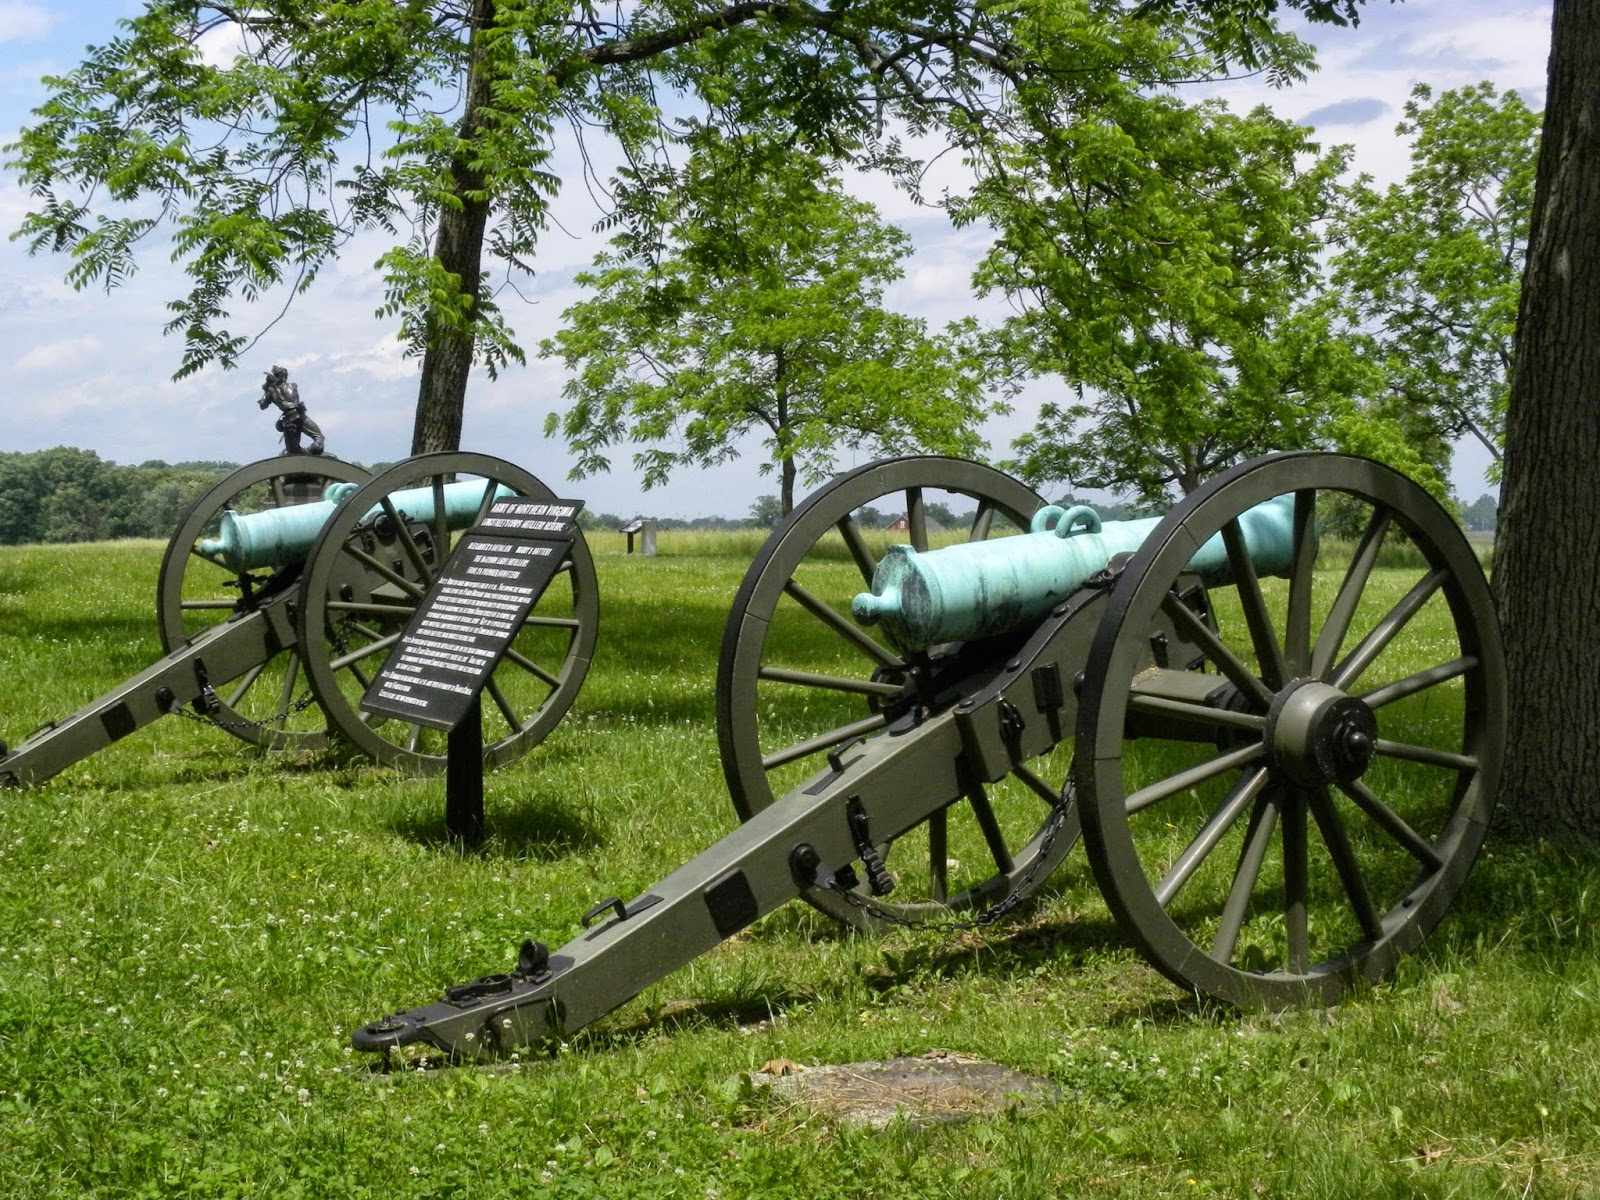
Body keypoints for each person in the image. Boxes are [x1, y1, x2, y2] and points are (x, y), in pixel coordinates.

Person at [258, 365, 326, 455]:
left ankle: (307, 452)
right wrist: (268, 389)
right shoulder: (282, 388)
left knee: (317, 438)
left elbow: (263, 405)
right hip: (296, 417)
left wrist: (267, 389)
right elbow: (263, 405)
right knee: (318, 438)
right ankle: (307, 452)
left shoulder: (278, 389)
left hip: (295, 416)